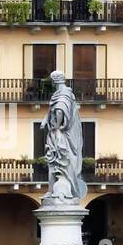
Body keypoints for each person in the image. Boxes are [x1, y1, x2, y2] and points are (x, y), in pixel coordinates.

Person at [42, 71, 85, 203]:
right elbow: (54, 110)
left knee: (58, 160)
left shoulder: (63, 94)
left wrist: (57, 126)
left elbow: (60, 110)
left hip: (61, 134)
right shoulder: (63, 93)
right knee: (54, 161)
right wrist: (46, 119)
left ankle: (56, 190)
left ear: (54, 81)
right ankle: (51, 190)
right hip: (60, 132)